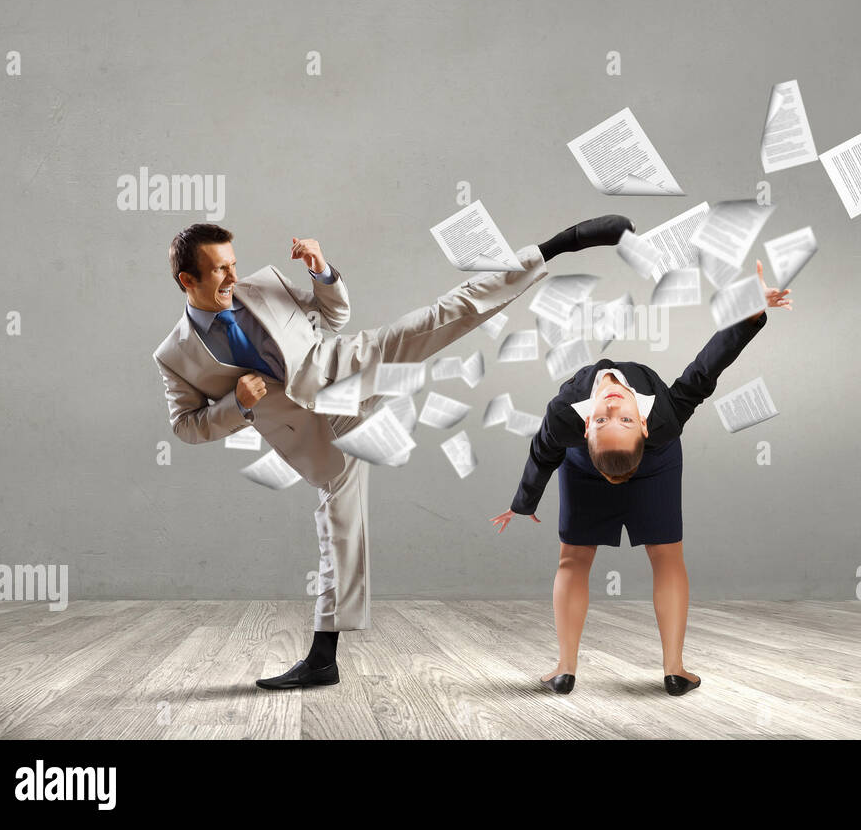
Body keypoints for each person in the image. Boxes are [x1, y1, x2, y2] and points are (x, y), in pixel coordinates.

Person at [153, 215, 632, 689]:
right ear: (187, 280)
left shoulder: (263, 284)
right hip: (315, 433)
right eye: (220, 270)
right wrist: (237, 405)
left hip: (349, 370)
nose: (233, 277)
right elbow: (186, 427)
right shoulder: (174, 356)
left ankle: (556, 245)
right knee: (339, 530)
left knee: (440, 315)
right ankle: (323, 659)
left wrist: (322, 272)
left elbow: (334, 315)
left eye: (233, 264)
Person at [491, 260, 791, 696]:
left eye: (621, 417)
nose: (613, 405)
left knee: (665, 555)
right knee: (574, 559)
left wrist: (749, 316)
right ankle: (565, 668)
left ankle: (674, 668)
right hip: (587, 467)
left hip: (655, 464)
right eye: (613, 417)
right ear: (584, 428)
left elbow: (705, 371)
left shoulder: (633, 420)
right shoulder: (568, 421)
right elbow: (544, 453)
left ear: (645, 427)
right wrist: (524, 502)